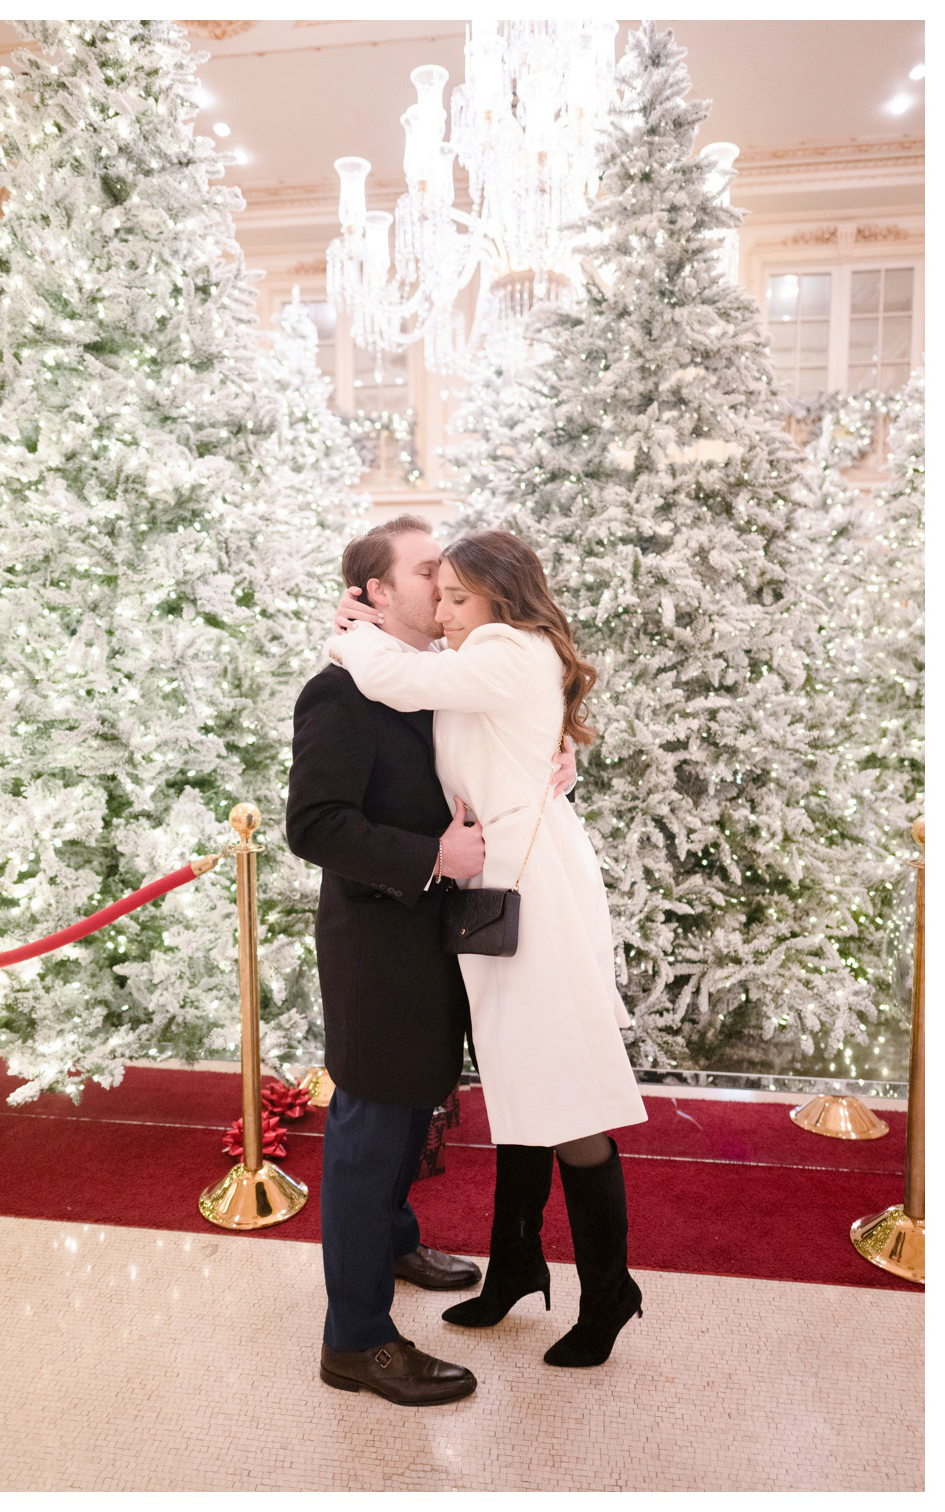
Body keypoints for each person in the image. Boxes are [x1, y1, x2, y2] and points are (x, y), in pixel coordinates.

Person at [328, 526, 647, 1370]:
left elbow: (402, 676)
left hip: (528, 891)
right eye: (437, 589)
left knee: (562, 1088)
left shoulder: (504, 646)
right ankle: (514, 1264)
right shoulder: (495, 654)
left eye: (458, 594)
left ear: (502, 599)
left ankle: (611, 1292)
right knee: (520, 1079)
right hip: (497, 886)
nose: (444, 607)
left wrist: (347, 632)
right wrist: (557, 749)